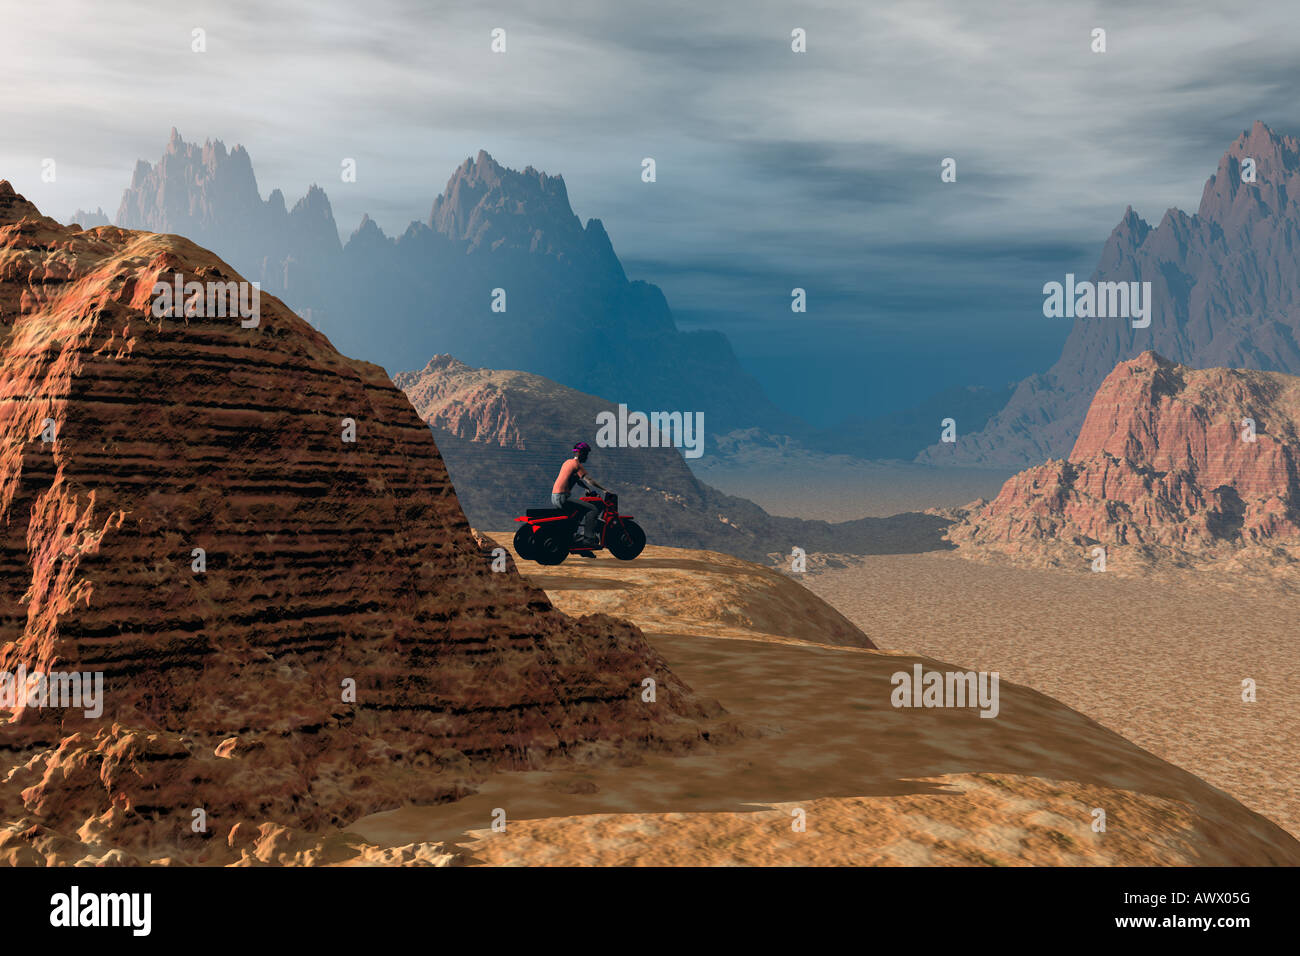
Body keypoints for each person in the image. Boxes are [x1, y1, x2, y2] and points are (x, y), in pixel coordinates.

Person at [552, 441, 606, 546]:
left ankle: (574, 535)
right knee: (592, 509)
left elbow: (575, 479)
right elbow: (589, 480)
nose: (587, 457)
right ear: (581, 453)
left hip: (555, 497)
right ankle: (589, 539)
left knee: (579, 512)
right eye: (586, 454)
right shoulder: (577, 465)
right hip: (563, 498)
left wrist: (586, 489)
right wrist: (604, 490)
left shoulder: (567, 462)